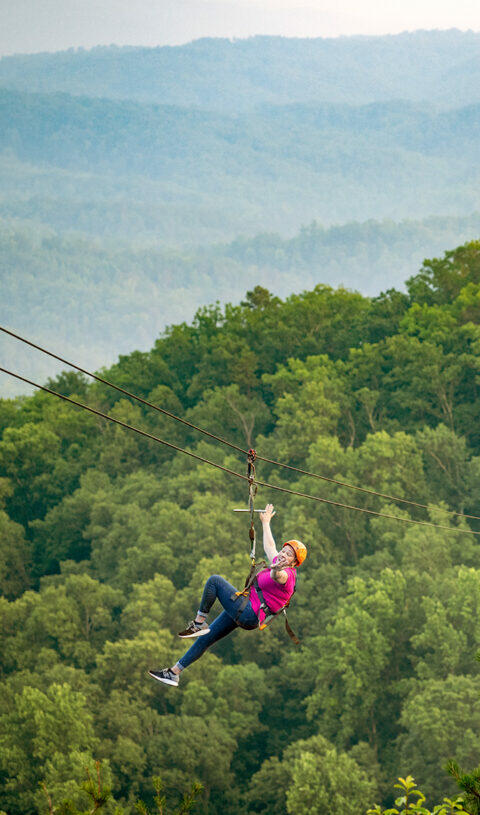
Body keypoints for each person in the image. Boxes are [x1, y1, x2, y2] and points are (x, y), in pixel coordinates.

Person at [148, 503, 307, 687]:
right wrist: (265, 522)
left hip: (248, 612)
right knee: (207, 638)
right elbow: (270, 546)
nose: (282, 555)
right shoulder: (278, 559)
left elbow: (277, 575)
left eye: (288, 555)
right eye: (284, 551)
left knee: (214, 581)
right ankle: (174, 673)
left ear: (294, 563)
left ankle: (198, 623)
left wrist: (277, 569)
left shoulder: (287, 576)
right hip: (247, 613)